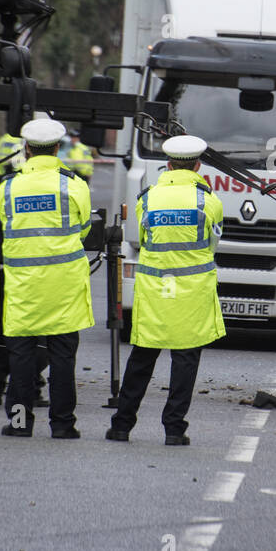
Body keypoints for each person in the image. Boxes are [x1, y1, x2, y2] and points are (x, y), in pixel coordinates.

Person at [106, 134, 224, 446]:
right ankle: (174, 429)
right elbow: (212, 246)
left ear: (168, 165)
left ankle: (121, 426)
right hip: (191, 295)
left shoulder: (147, 198)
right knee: (185, 360)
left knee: (142, 358)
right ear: (197, 166)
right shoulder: (208, 201)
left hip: (156, 291)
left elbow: (144, 240)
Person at [0, 117, 94, 439]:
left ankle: (20, 424)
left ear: (26, 149)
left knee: (22, 355)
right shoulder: (74, 184)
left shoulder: (8, 186)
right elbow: (84, 229)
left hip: (24, 284)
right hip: (64, 284)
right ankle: (63, 425)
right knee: (63, 355)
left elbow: (7, 224)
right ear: (57, 148)